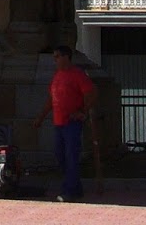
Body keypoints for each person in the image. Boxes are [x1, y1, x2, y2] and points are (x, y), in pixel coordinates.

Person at [34, 44, 96, 203]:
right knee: (60, 154)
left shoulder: (77, 75)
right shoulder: (57, 76)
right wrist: (41, 117)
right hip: (58, 122)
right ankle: (76, 187)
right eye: (54, 57)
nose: (55, 60)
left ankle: (70, 190)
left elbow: (91, 93)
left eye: (57, 57)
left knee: (71, 156)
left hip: (72, 122)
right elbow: (51, 99)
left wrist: (82, 111)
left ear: (66, 57)